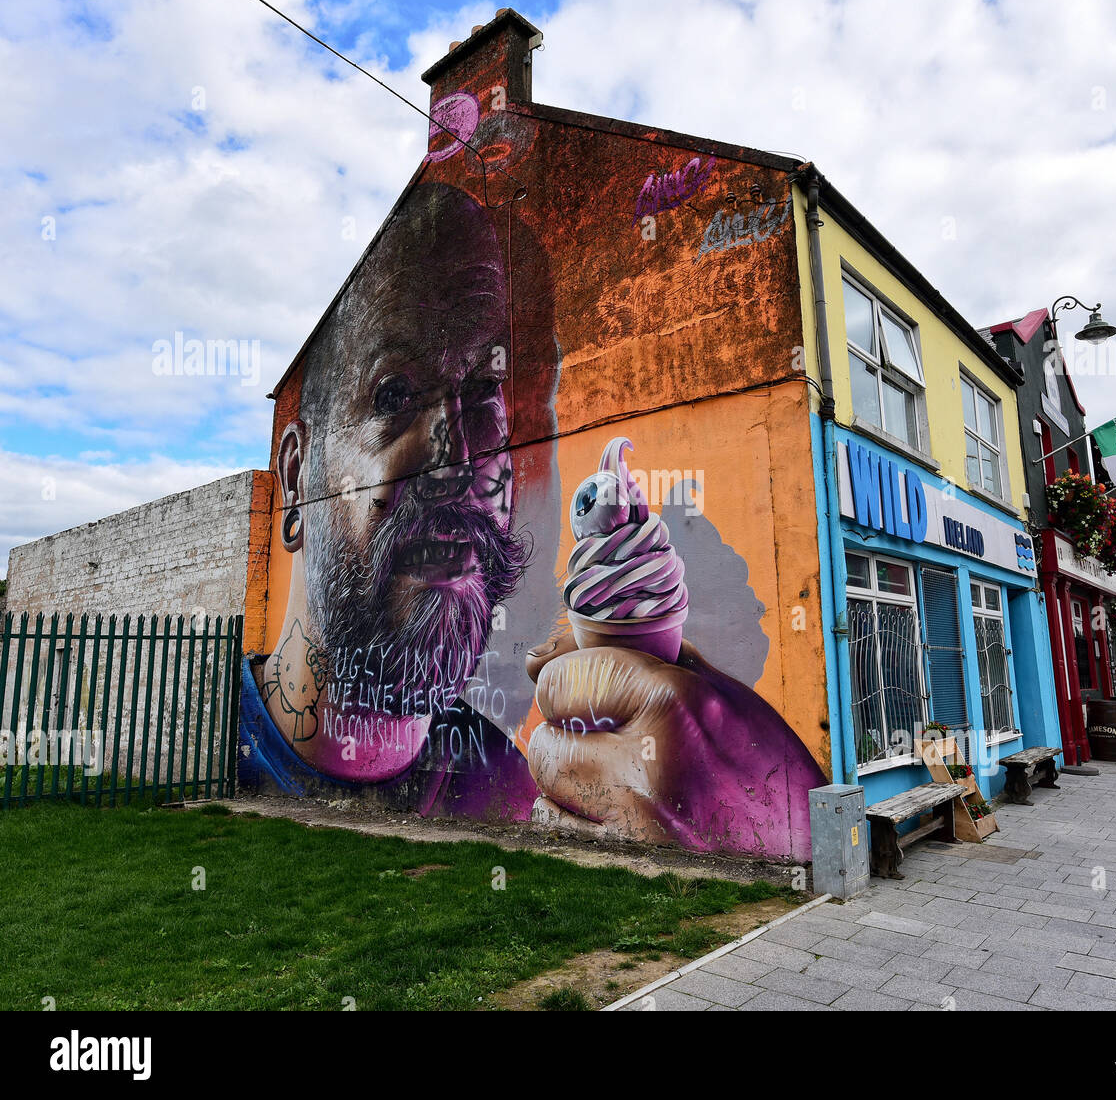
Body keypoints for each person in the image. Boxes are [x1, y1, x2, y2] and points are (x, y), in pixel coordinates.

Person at [239, 177, 825, 857]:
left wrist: (783, 825)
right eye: (393, 392)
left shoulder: (520, 791)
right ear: (293, 479)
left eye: (486, 389)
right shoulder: (207, 742)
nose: (460, 458)